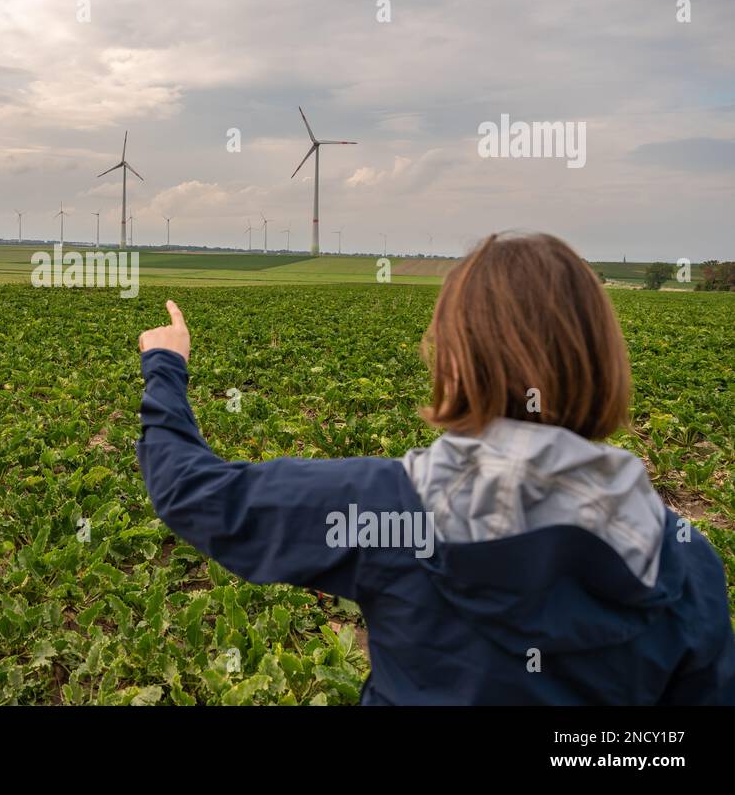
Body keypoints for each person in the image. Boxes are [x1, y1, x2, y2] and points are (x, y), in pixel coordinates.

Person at [136, 232, 735, 704]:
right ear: (603, 360)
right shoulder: (686, 563)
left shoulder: (391, 510)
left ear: (454, 360)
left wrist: (165, 364)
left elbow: (193, 492)